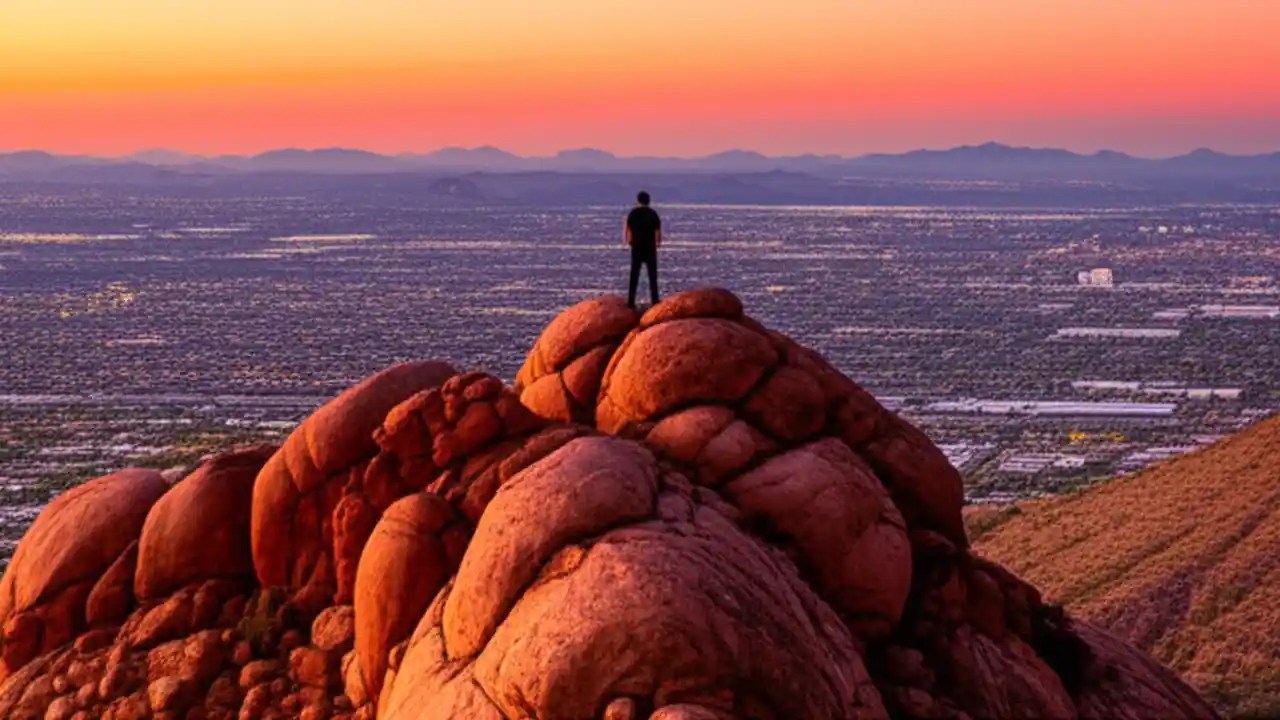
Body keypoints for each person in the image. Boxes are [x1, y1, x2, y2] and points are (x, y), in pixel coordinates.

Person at [625, 190, 661, 308]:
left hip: (637, 247)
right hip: (650, 248)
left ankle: (631, 302)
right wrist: (657, 242)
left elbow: (628, 229)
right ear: (648, 201)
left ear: (638, 201)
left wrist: (630, 241)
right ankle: (655, 301)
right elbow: (657, 231)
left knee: (634, 275)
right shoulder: (653, 214)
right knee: (652, 276)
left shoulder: (633, 213)